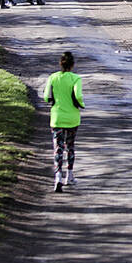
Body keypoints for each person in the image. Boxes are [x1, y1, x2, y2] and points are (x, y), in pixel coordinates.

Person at [43, 51, 84, 191]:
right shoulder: (76, 78)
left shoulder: (53, 77)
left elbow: (45, 96)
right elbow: (78, 95)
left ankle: (58, 176)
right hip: (72, 117)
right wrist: (81, 104)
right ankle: (70, 175)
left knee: (58, 148)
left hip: (56, 117)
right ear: (72, 65)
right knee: (70, 146)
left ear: (60, 63)